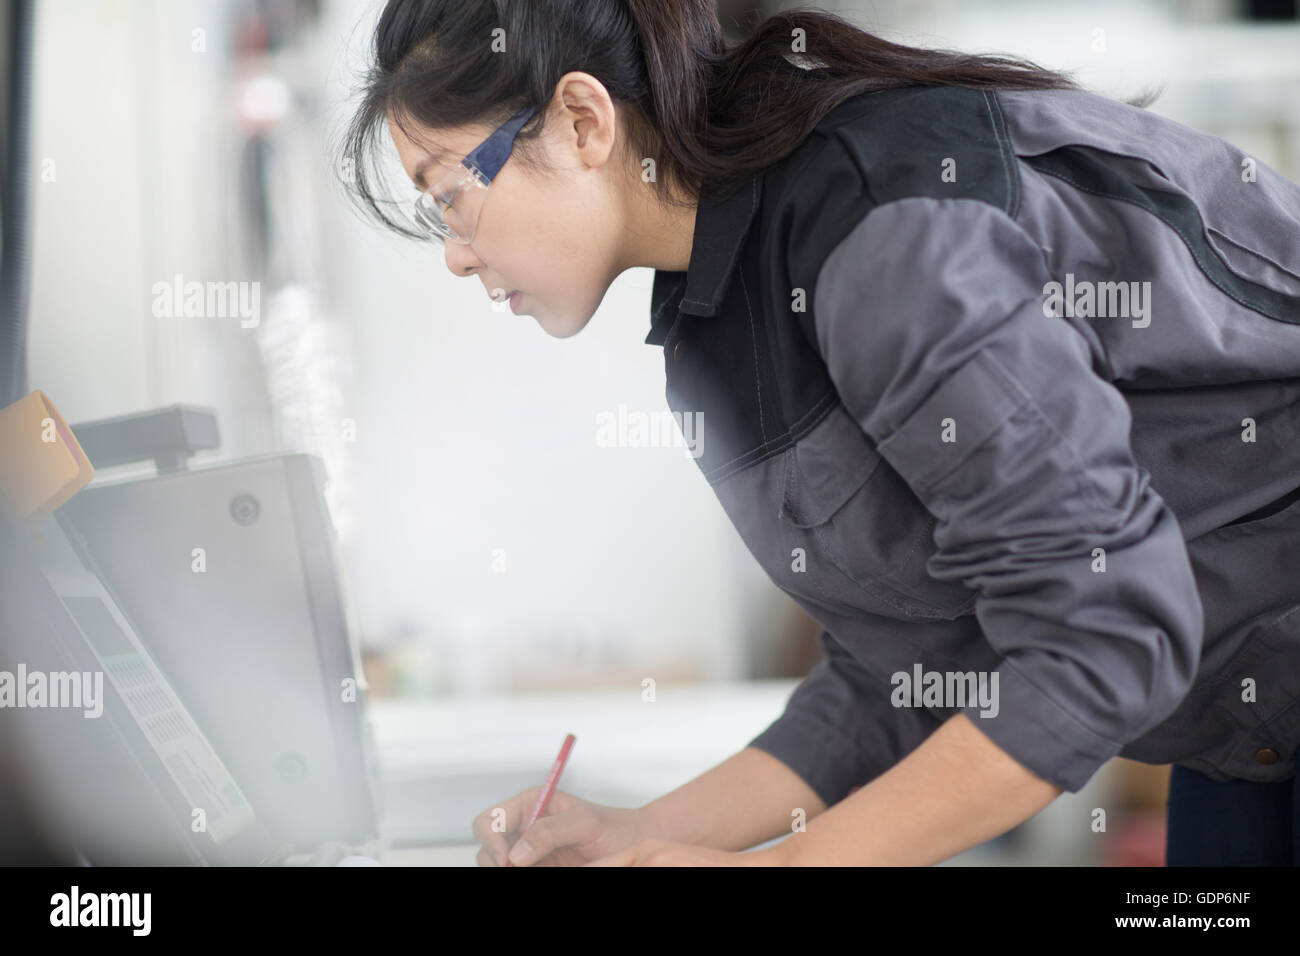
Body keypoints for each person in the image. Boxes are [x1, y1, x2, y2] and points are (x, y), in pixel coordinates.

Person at [340, 0, 1300, 866]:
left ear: (584, 121)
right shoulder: (711, 314)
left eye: (450, 195)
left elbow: (1104, 637)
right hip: (1244, 735)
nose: (458, 256)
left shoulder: (885, 231)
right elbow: (907, 666)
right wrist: (642, 834)